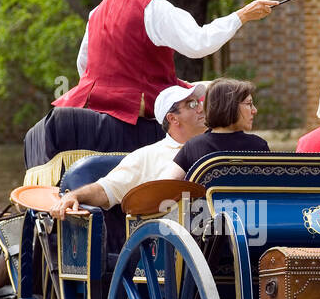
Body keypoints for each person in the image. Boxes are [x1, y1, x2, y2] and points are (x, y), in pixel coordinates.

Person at [53, 0, 277, 133]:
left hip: (90, 99)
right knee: (225, 95)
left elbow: (83, 66)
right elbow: (198, 44)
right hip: (138, 102)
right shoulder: (153, 7)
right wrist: (242, 15)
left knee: (200, 88)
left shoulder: (97, 10)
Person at [50, 82, 210, 220]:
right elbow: (104, 190)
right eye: (192, 104)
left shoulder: (219, 144)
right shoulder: (147, 156)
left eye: (199, 102)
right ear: (173, 119)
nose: (201, 109)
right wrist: (74, 196)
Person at [164, 78, 270, 179]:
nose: (254, 110)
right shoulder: (258, 146)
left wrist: (186, 196)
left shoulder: (194, 146)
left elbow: (168, 184)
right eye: (249, 104)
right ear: (230, 106)